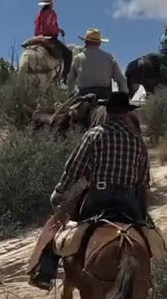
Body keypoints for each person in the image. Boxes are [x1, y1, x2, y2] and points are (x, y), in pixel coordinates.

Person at [28, 91, 151, 289]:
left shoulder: (94, 135)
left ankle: (45, 271)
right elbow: (144, 181)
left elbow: (74, 166)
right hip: (129, 200)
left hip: (98, 198)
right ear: (127, 113)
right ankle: (148, 278)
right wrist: (143, 212)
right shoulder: (137, 141)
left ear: (108, 111)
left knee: (61, 227)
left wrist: (59, 191)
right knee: (148, 238)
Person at [68, 28, 129, 99]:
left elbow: (70, 80)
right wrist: (123, 97)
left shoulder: (78, 58)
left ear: (85, 42)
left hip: (83, 96)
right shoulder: (109, 57)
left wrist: (71, 92)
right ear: (99, 43)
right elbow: (121, 79)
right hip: (105, 96)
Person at [35, 0, 72, 84]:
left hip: (39, 37)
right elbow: (51, 27)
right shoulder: (52, 13)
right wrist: (59, 31)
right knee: (68, 53)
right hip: (50, 38)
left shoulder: (39, 14)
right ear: (51, 4)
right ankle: (64, 76)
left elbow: (36, 28)